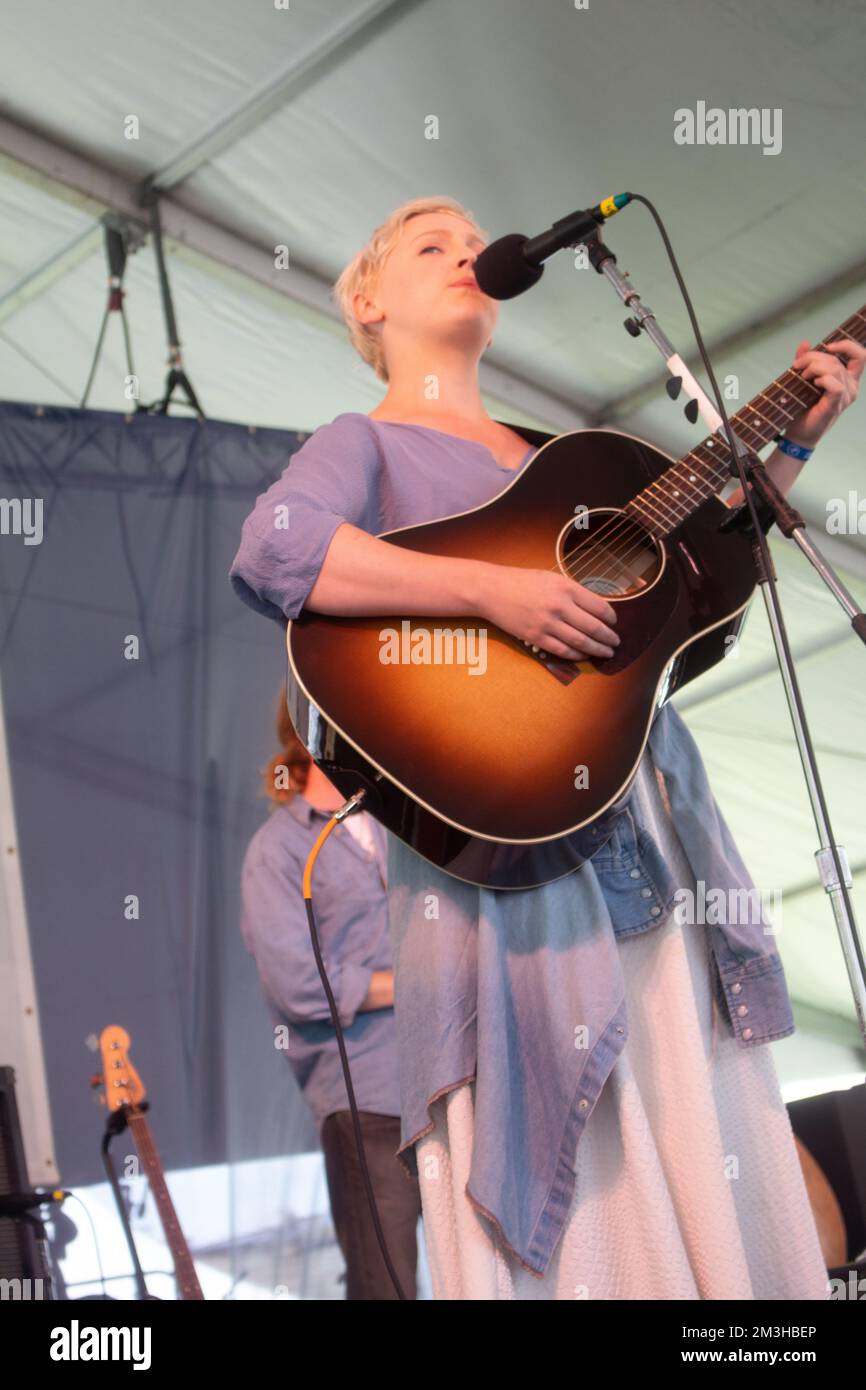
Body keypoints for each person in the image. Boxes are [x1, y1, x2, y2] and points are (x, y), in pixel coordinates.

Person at [230, 195, 864, 1299]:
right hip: (514, 874)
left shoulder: (559, 459)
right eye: (433, 245)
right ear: (369, 302)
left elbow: (701, 585)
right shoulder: (362, 443)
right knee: (597, 1169)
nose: (468, 256)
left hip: (649, 833)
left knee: (693, 1117)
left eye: (475, 244)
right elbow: (278, 551)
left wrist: (797, 431)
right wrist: (490, 591)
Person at [239, 687, 422, 1299]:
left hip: (450, 1082)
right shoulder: (277, 850)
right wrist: (412, 985)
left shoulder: (408, 825)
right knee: (384, 1282)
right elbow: (298, 986)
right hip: (365, 1100)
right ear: (314, 732)